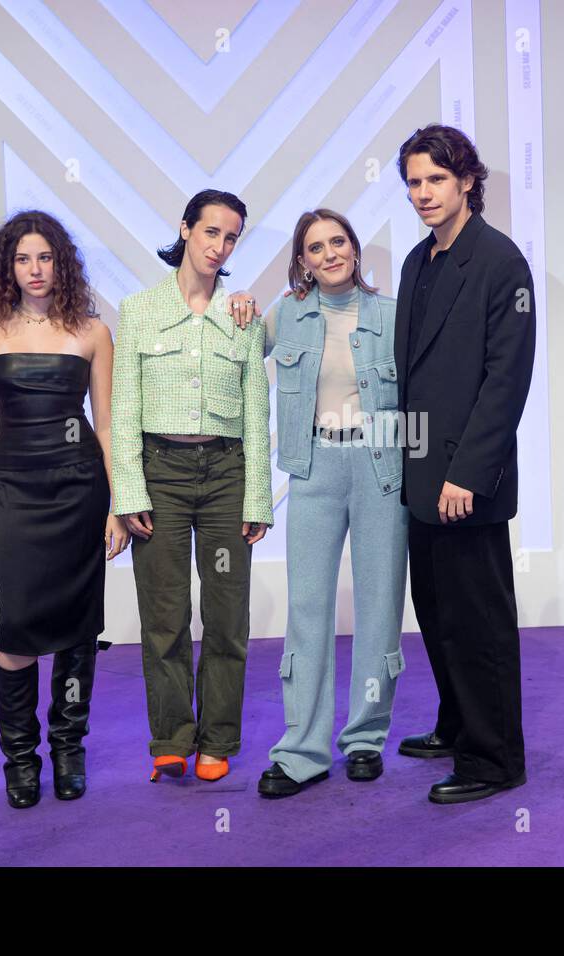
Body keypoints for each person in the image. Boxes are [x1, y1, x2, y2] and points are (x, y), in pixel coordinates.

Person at [228, 209, 409, 798]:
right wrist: (237, 307)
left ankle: (365, 739)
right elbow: (233, 356)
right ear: (301, 261)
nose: (329, 254)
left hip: (383, 465)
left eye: (338, 242)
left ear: (355, 250)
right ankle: (302, 750)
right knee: (308, 610)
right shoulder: (288, 316)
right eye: (315, 247)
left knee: (380, 607)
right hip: (313, 470)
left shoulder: (391, 314)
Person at [0, 210, 129, 809]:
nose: (35, 270)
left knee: (79, 629)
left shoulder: (92, 332)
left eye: (45, 257)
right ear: (7, 268)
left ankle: (68, 749)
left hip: (80, 490)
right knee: (19, 627)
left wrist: (118, 504)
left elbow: (107, 424)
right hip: (16, 491)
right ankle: (19, 759)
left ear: (62, 263)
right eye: (22, 259)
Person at [392, 125, 536, 804]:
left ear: (467, 181)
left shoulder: (500, 261)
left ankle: (494, 759)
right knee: (438, 615)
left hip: (467, 483)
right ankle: (457, 727)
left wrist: (466, 475)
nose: (423, 194)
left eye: (436, 180)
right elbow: (411, 377)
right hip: (422, 477)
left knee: (478, 625)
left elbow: (505, 381)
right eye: (415, 182)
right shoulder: (417, 263)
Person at [111, 189, 272, 784]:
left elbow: (258, 412)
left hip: (227, 475)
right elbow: (122, 408)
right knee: (165, 615)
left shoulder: (242, 315)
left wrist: (257, 495)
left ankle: (219, 739)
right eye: (211, 233)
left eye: (231, 238)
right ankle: (172, 738)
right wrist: (127, 492)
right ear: (185, 230)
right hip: (161, 474)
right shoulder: (139, 310)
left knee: (228, 615)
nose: (219, 247)